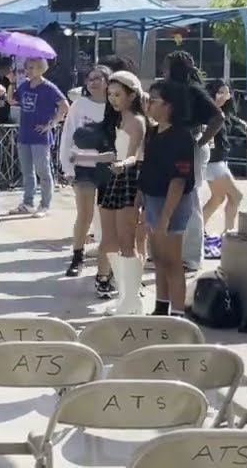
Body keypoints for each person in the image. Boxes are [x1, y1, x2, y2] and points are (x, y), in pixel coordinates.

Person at [139, 80, 197, 317]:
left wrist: (165, 218)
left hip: (172, 203)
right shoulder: (152, 132)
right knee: (159, 259)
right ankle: (161, 306)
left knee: (173, 261)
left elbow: (178, 180)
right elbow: (148, 168)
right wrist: (140, 197)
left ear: (169, 105)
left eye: (154, 101)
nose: (149, 105)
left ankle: (178, 312)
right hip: (153, 199)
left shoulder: (181, 136)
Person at [162, 51, 224, 273]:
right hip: (172, 144)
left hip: (190, 145)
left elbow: (219, 118)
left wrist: (200, 143)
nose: (163, 70)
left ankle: (190, 257)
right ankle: (171, 252)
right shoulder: (173, 90)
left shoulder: (193, 90)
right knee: (169, 199)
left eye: (166, 66)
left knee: (189, 201)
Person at [95, 71, 148, 312]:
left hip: (130, 178)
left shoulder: (137, 120)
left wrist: (120, 163)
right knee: (108, 242)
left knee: (128, 243)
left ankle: (131, 298)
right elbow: (120, 153)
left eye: (118, 94)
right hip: (117, 177)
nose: (113, 99)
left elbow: (133, 156)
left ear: (132, 95)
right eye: (110, 94)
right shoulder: (120, 120)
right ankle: (125, 296)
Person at [58, 66, 111, 277]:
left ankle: (107, 259)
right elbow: (67, 135)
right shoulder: (79, 105)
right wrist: (67, 166)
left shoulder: (114, 105)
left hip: (109, 167)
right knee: (85, 214)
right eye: (90, 78)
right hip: (84, 167)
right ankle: (77, 257)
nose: (94, 82)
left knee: (109, 217)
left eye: (99, 78)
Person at [7, 56, 68, 217]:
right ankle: (27, 203)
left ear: (41, 68)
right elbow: (12, 100)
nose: (28, 70)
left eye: (32, 67)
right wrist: (12, 83)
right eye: (27, 67)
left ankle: (45, 204)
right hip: (24, 134)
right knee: (27, 171)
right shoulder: (25, 86)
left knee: (43, 170)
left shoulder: (49, 87)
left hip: (40, 135)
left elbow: (64, 106)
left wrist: (52, 124)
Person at [201, 79, 247, 257]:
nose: (225, 95)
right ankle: (228, 233)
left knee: (218, 198)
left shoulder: (223, 113)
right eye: (220, 92)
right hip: (214, 163)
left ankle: (198, 232)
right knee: (236, 196)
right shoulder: (208, 112)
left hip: (218, 162)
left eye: (227, 92)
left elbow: (235, 121)